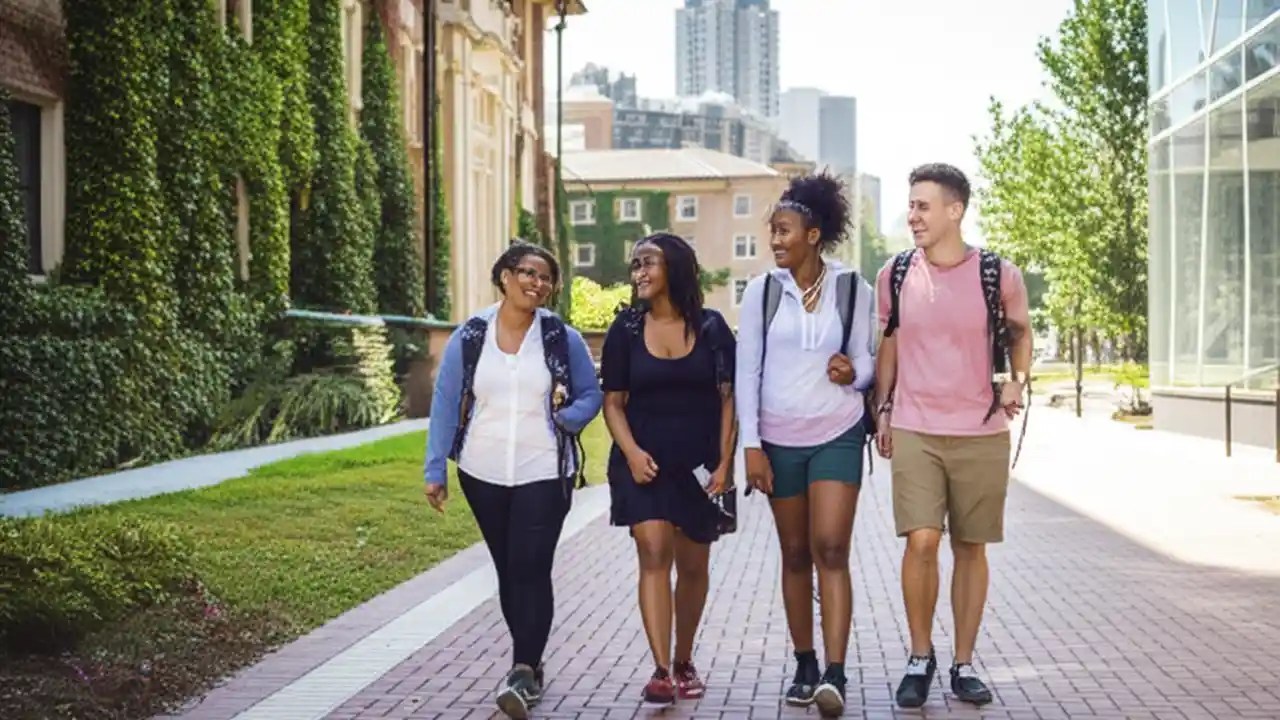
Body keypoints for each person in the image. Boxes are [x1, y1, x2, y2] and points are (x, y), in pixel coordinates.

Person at [423, 242, 604, 719]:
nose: (536, 283)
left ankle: (523, 669)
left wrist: (570, 418)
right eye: (527, 272)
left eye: (546, 277)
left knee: (530, 566)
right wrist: (435, 467)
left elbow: (592, 394)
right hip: (481, 473)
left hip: (544, 471)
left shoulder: (560, 337)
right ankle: (530, 660)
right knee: (508, 571)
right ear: (504, 276)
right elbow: (445, 401)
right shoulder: (471, 335)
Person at [874, 163, 1031, 709]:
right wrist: (884, 408)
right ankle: (920, 656)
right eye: (910, 205)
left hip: (982, 431)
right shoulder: (894, 273)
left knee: (971, 546)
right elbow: (888, 342)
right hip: (917, 426)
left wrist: (1017, 380)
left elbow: (1020, 331)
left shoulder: (997, 274)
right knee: (921, 540)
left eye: (922, 206)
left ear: (954, 210)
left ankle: (963, 663)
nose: (912, 215)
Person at [735, 171, 876, 718]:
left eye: (784, 230)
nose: (774, 240)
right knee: (794, 553)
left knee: (831, 548)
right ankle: (805, 663)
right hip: (778, 438)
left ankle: (836, 673)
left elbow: (865, 358)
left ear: (813, 234)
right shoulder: (762, 292)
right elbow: (747, 373)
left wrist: (854, 374)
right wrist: (751, 445)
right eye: (772, 231)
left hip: (836, 432)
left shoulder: (851, 288)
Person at [599, 232, 738, 709]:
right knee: (653, 549)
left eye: (648, 263)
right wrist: (633, 454)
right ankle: (661, 670)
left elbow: (727, 401)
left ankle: (683, 659)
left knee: (694, 566)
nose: (638, 272)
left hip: (696, 466)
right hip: (643, 464)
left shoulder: (714, 328)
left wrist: (725, 462)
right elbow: (613, 404)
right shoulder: (625, 330)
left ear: (675, 268)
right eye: (634, 264)